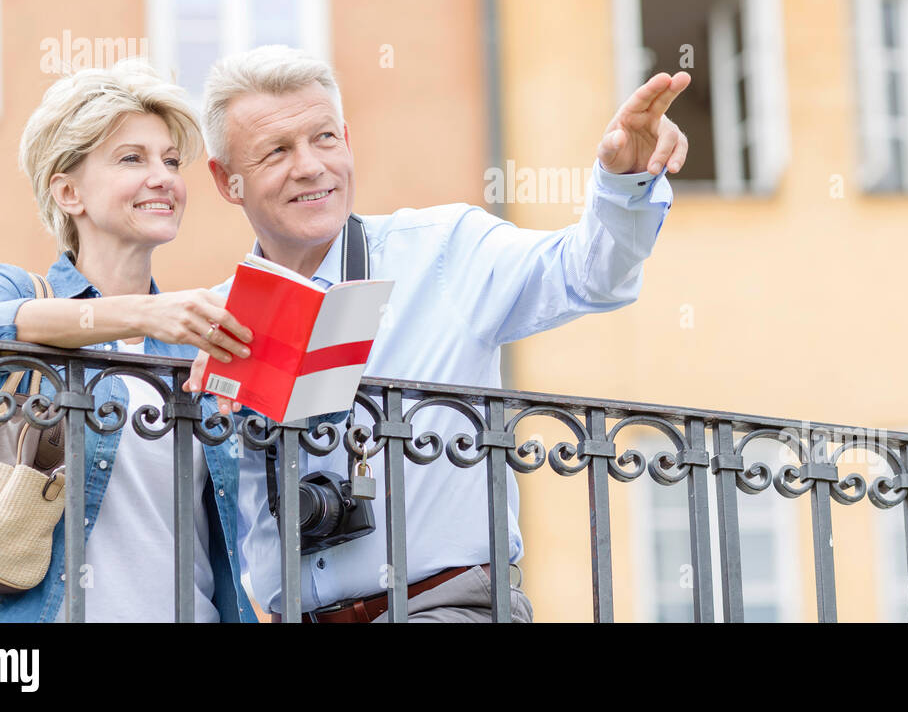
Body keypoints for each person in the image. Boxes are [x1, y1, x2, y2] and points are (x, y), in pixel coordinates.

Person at [185, 44, 689, 622]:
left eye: (324, 138)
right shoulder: (215, 322)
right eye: (276, 151)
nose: (309, 166)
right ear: (228, 182)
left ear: (347, 140)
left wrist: (622, 184)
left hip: (444, 607)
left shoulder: (446, 248)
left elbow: (589, 274)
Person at [0, 60, 256, 623]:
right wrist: (146, 313)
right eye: (132, 158)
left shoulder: (191, 343)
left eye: (171, 160)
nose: (163, 177)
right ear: (68, 191)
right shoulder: (11, 286)